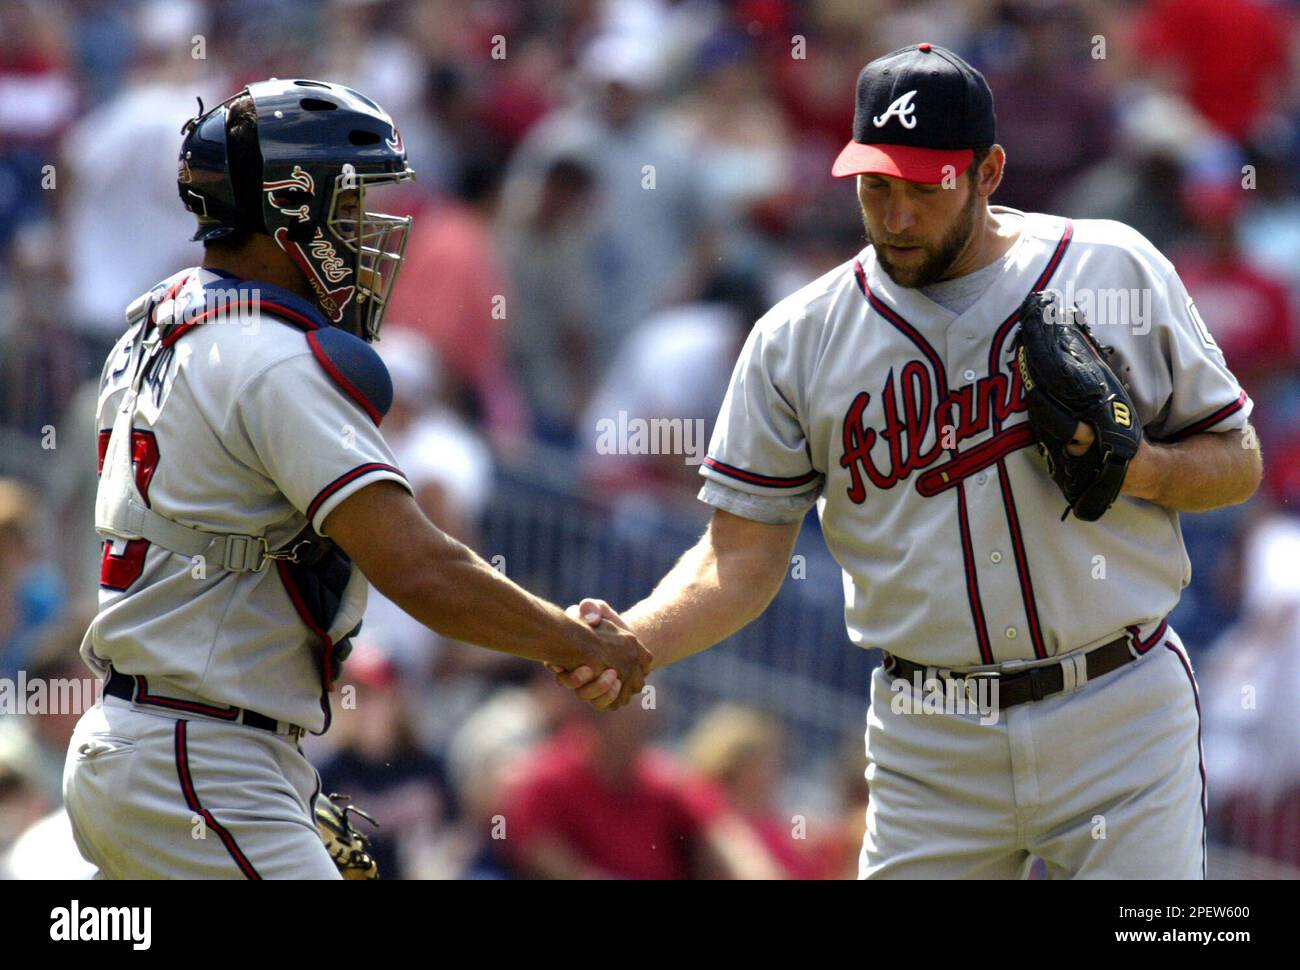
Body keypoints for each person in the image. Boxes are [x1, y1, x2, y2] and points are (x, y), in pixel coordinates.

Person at [554, 44, 1262, 880]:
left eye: (925, 187)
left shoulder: (1111, 267)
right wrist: (639, 638)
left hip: (1119, 708)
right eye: (875, 186)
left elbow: (1236, 457)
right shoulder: (798, 341)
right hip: (932, 738)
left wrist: (1140, 468)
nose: (895, 216)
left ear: (989, 170)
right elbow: (737, 558)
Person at [63, 78, 648, 880]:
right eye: (347, 202)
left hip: (159, 742)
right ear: (285, 208)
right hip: (199, 759)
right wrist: (572, 643)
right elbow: (422, 568)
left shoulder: (158, 324)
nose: (367, 227)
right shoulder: (269, 354)